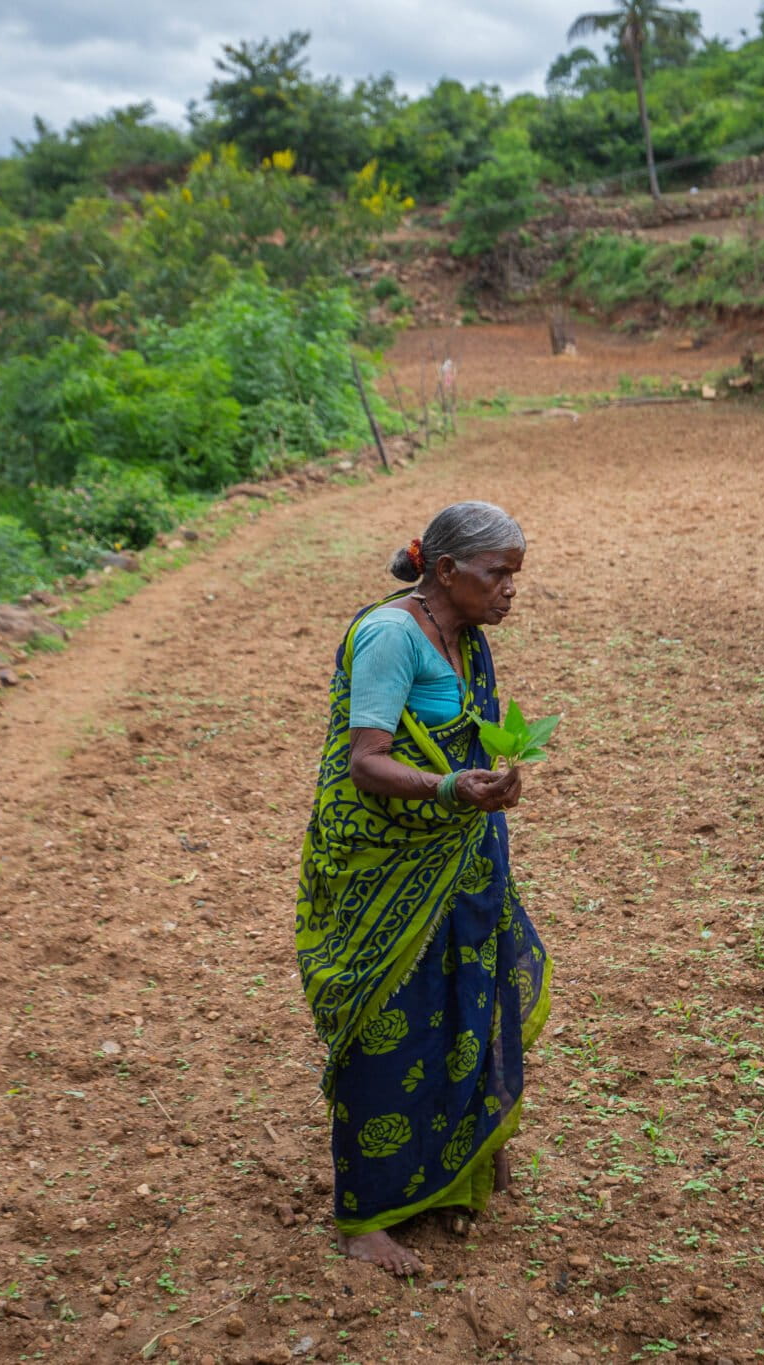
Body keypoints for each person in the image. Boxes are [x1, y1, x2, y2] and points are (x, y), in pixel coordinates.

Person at [295, 501, 551, 1276]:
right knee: (387, 1024)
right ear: (445, 571)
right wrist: (449, 791)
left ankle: (463, 1153)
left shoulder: (464, 635)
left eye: (516, 574)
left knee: (469, 996)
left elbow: (465, 729)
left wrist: (487, 786)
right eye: (497, 574)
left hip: (462, 859)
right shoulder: (390, 637)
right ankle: (365, 1216)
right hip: (386, 869)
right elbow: (365, 761)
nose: (510, 590)